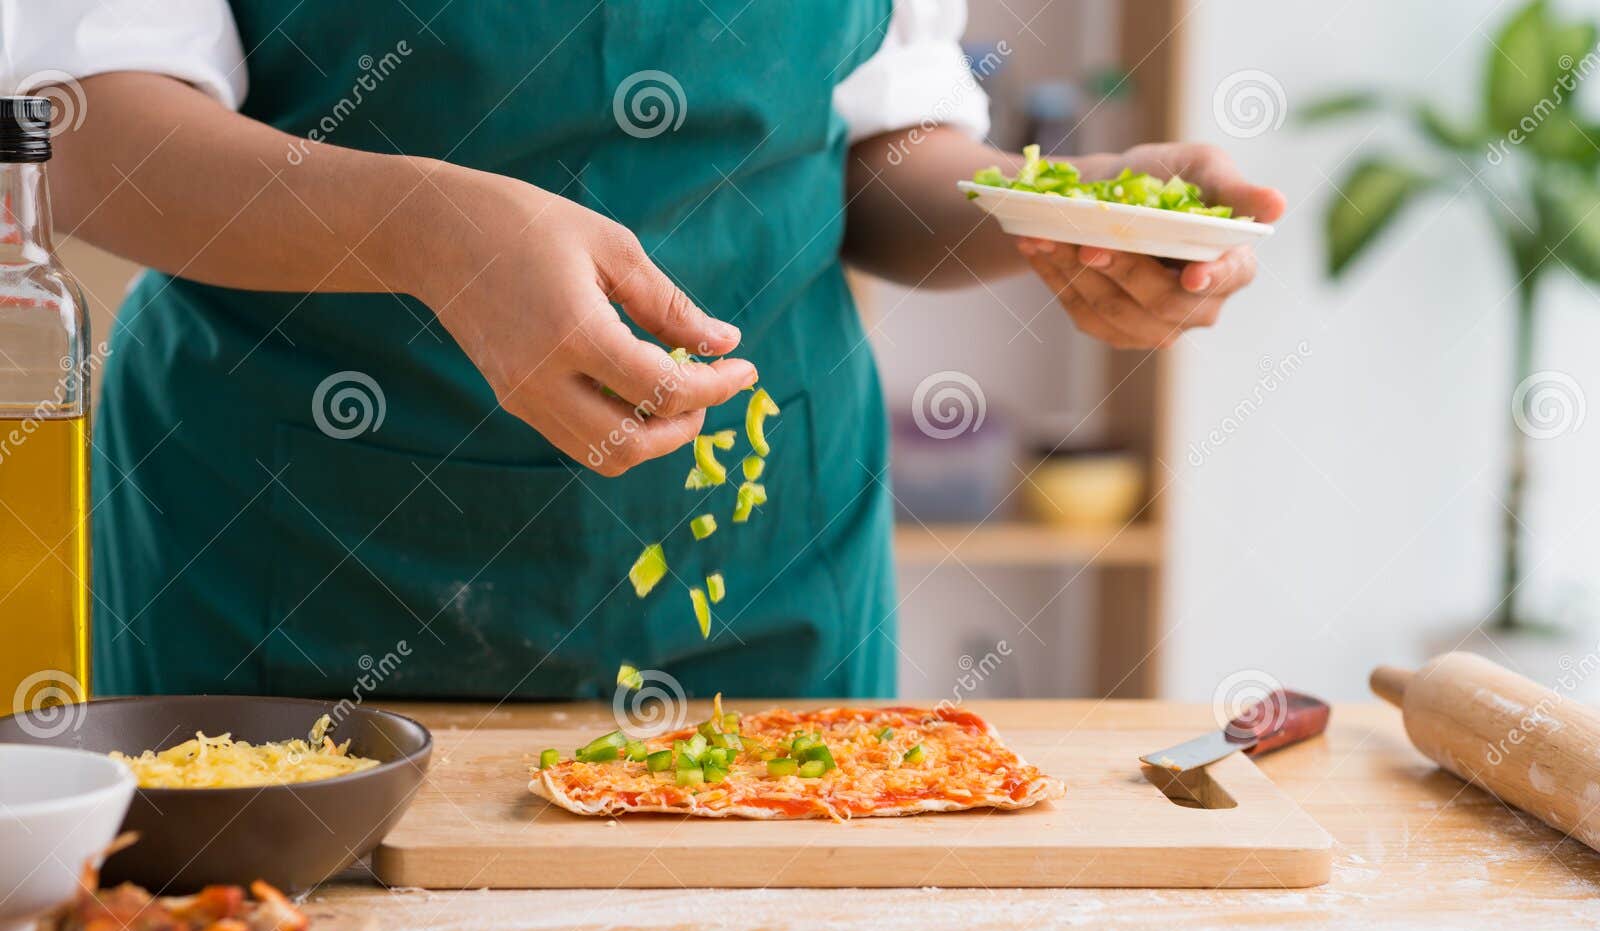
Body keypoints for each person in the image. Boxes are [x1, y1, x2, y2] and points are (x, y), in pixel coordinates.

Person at [9, 0, 1284, 700]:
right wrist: (432, 232)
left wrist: (1059, 209)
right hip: (308, 557)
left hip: (766, 565)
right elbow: (77, 124)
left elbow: (871, 137)